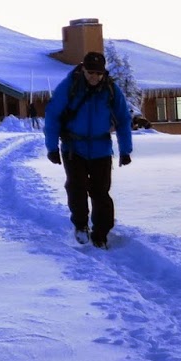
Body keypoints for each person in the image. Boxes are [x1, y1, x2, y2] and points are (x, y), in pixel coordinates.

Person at [43, 50, 134, 249]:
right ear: (83, 69)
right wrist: (52, 147)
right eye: (90, 72)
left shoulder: (111, 90)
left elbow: (123, 119)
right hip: (73, 148)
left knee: (101, 192)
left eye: (98, 73)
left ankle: (101, 233)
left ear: (103, 73)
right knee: (76, 187)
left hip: (101, 148)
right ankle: (81, 225)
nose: (94, 77)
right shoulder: (70, 87)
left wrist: (125, 150)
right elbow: (52, 115)